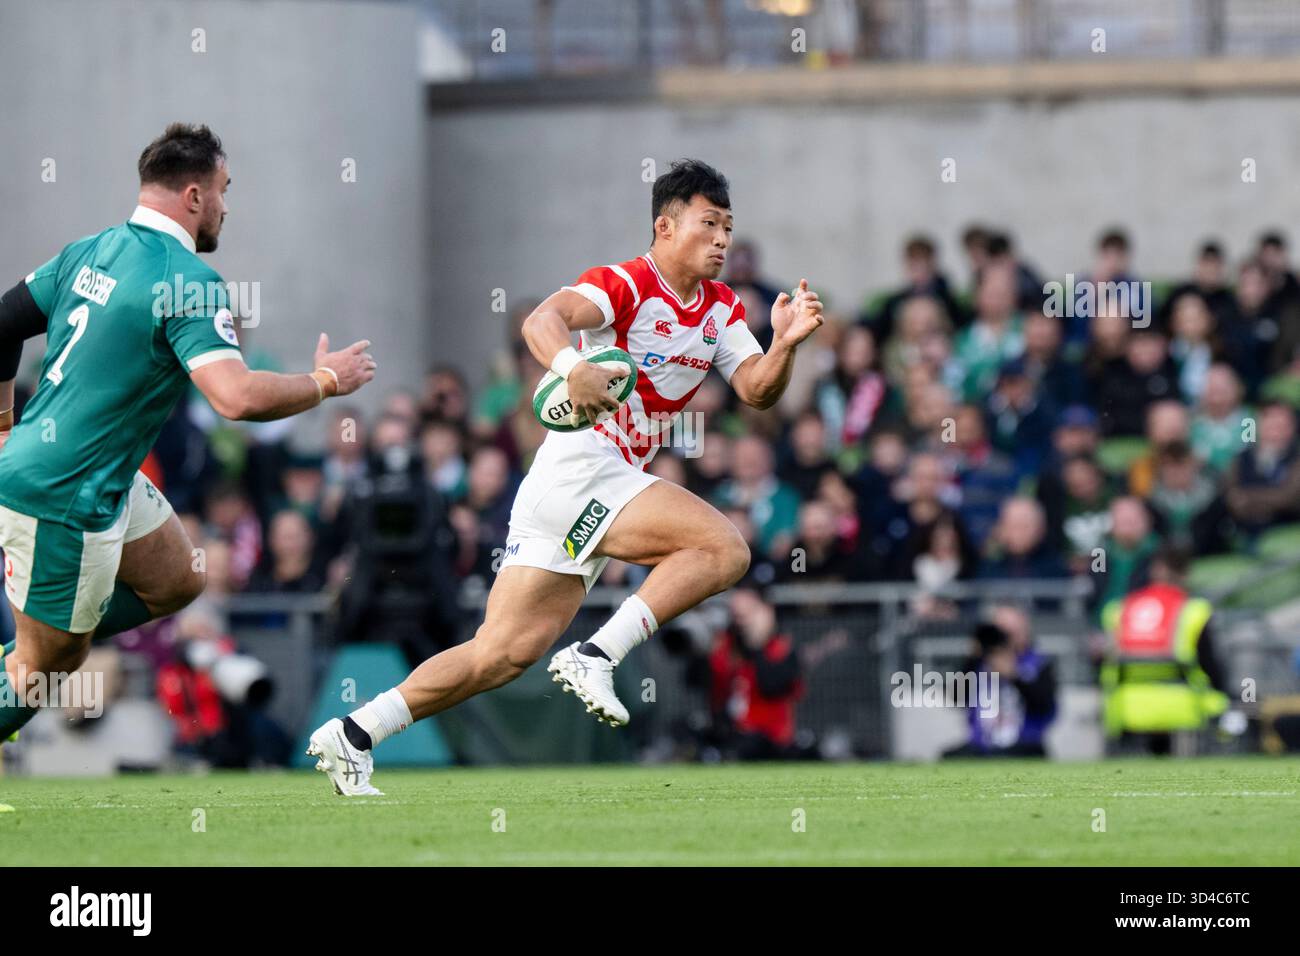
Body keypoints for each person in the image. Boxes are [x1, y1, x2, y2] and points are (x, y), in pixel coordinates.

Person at [308, 159, 825, 795]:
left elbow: (757, 391)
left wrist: (785, 345)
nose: (722, 239)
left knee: (499, 655)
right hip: (582, 464)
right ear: (665, 227)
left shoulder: (721, 309)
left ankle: (354, 734)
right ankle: (597, 655)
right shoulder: (626, 283)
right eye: (708, 224)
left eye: (728, 227)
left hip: (576, 486)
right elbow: (539, 321)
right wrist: (569, 368)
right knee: (724, 548)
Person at [0, 123, 374, 745]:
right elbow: (235, 397)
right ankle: (35, 652)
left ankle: (46, 636)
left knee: (181, 578)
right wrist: (325, 381)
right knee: (46, 670)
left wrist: (7, 428)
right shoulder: (188, 282)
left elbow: (1, 326)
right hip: (62, 496)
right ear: (195, 196)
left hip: (94, 479)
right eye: (226, 190)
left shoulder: (86, 250)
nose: (228, 206)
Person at [1099, 547, 1230, 754]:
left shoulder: (1120, 608)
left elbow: (1104, 659)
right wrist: (1226, 695)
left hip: (1127, 706)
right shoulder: (1193, 610)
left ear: (1154, 571)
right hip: (1182, 704)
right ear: (1186, 574)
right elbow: (1209, 664)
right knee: (1229, 703)